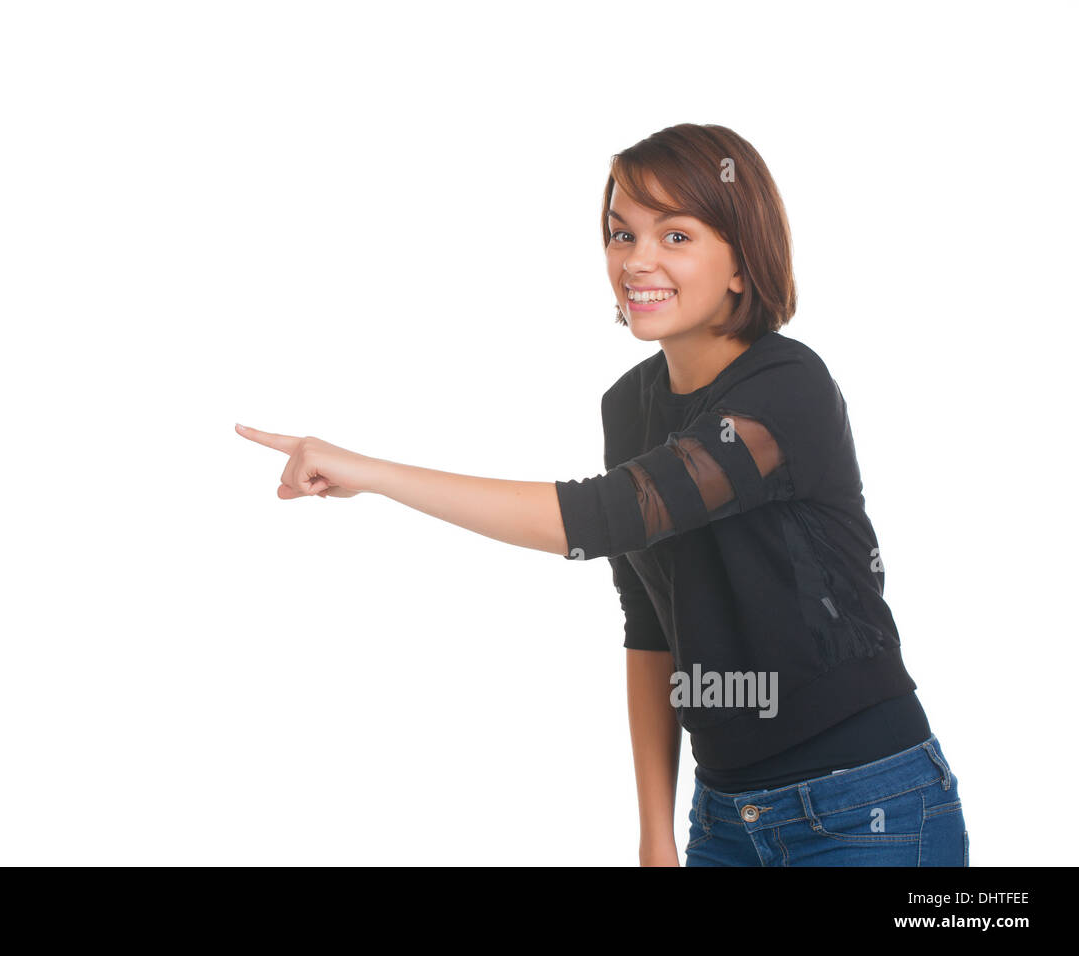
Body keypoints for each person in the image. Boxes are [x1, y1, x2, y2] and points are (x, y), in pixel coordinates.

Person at [235, 123, 968, 868]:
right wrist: (656, 832)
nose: (636, 260)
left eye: (675, 236)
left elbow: (597, 517)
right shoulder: (630, 405)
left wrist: (371, 472)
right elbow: (651, 622)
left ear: (742, 264)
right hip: (723, 818)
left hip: (865, 810)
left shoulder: (787, 388)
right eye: (622, 234)